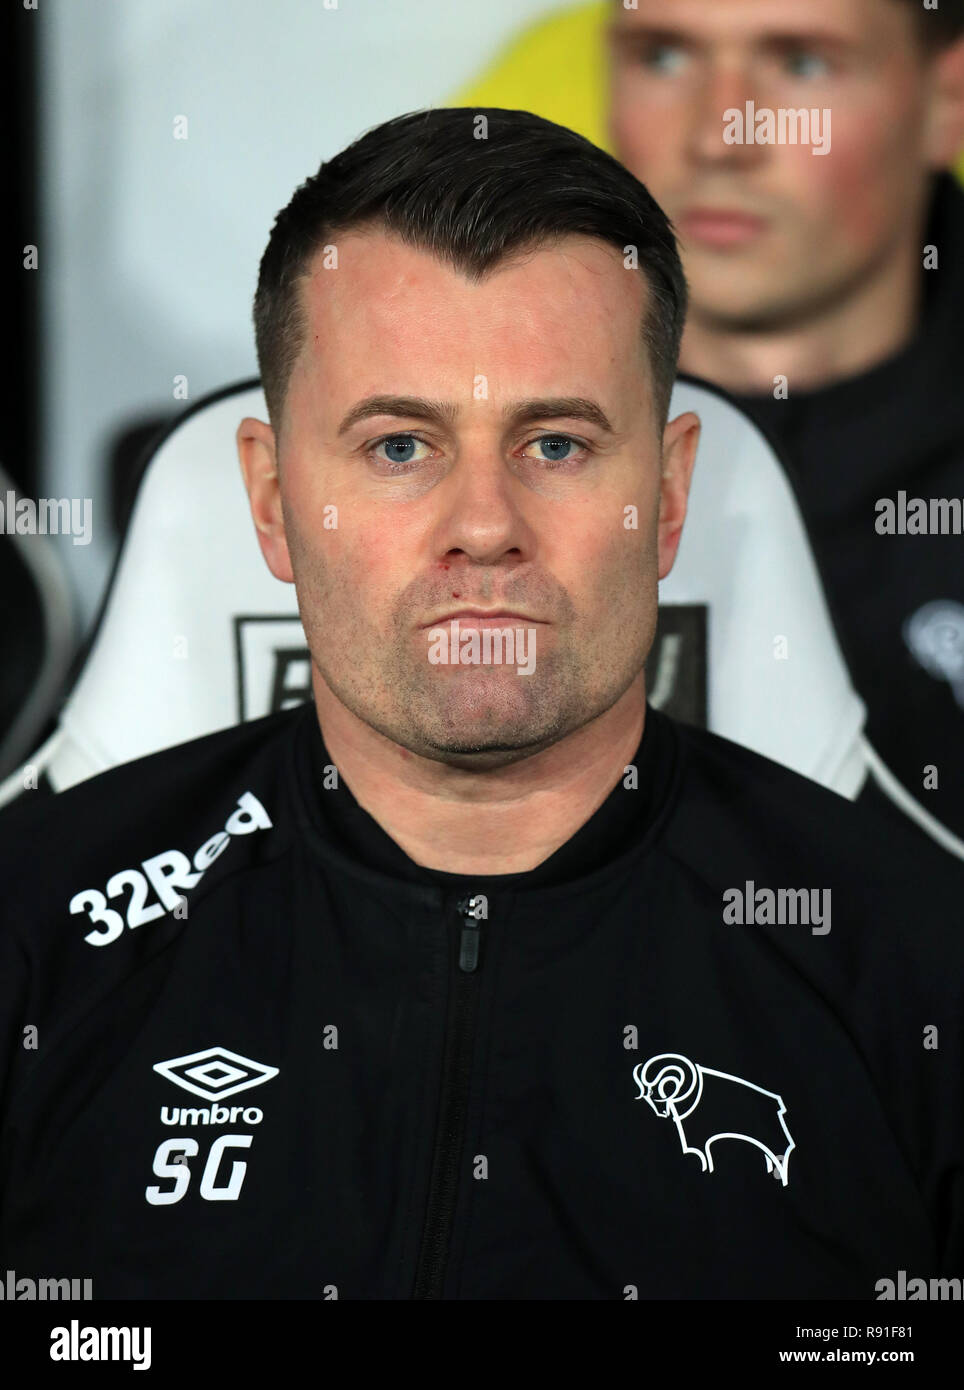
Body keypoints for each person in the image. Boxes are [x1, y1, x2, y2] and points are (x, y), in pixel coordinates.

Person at [0, 108, 961, 1300]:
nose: (485, 527)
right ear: (271, 499)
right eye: (400, 447)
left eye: (555, 445)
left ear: (665, 500)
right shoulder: (34, 935)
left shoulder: (919, 964)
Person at [607, 0, 964, 844]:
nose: (720, 138)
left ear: (947, 99)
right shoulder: (435, 426)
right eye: (663, 57)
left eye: (802, 64)